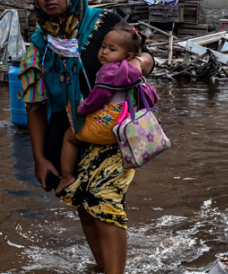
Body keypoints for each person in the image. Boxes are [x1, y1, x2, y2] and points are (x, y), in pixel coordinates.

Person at [18, 0, 155, 274]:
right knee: (84, 206)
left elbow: (145, 54)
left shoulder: (104, 24)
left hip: (112, 134)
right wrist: (39, 158)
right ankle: (104, 271)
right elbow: (35, 105)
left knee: (107, 203)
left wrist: (137, 66)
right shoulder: (39, 43)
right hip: (68, 137)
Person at [56, 22, 158, 193]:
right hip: (123, 122)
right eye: (103, 46)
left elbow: (99, 95)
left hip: (107, 124)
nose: (104, 52)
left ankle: (67, 176)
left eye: (112, 49)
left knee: (69, 137)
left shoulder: (109, 71)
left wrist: (84, 108)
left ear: (128, 56)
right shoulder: (131, 70)